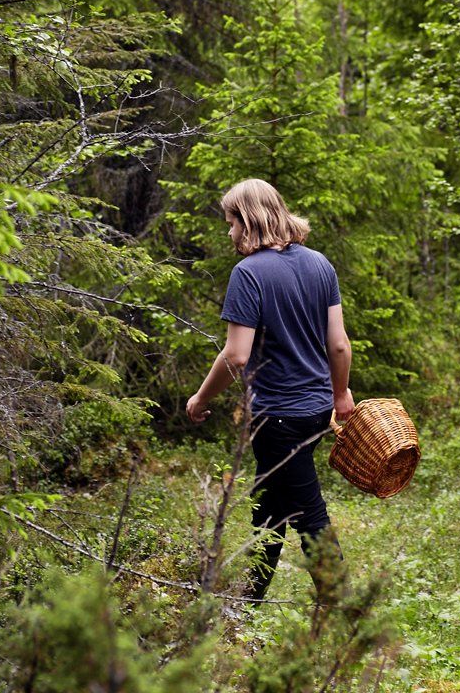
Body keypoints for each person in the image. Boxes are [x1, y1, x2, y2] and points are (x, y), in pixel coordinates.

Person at [186, 178, 354, 604]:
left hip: (278, 416)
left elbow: (236, 356)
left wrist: (201, 398)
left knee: (309, 514)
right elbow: (338, 344)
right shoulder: (320, 264)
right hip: (315, 410)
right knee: (270, 503)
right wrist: (340, 395)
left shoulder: (248, 274)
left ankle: (345, 612)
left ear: (249, 220)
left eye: (231, 222)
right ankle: (250, 598)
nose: (229, 232)